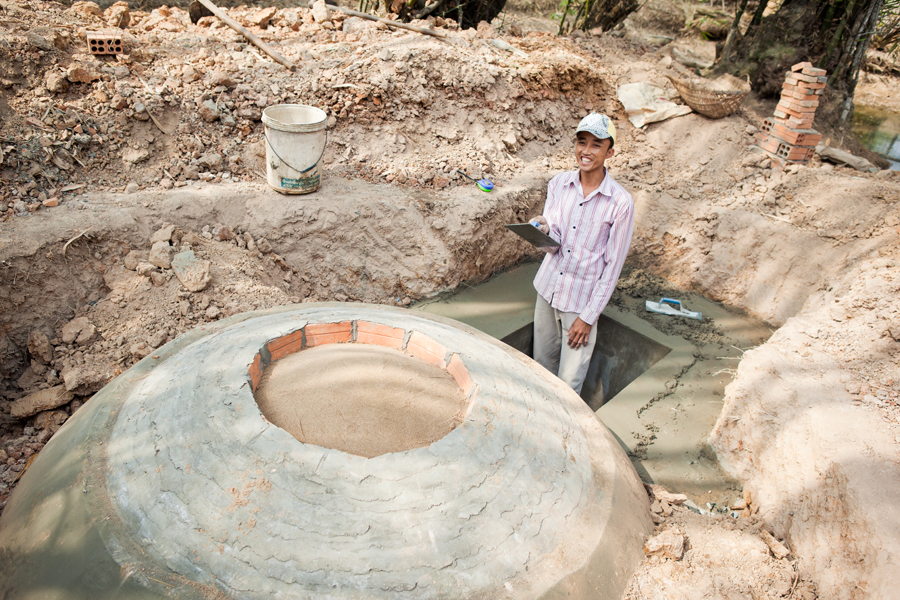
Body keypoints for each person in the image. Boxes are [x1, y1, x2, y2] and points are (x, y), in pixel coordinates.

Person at [530, 113, 634, 394]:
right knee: (541, 368)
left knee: (568, 384)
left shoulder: (620, 203)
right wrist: (543, 230)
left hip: (580, 302)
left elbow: (612, 266)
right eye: (581, 142)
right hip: (547, 290)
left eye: (596, 145)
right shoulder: (559, 184)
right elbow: (553, 247)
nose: (586, 151)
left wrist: (588, 317)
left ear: (609, 152)